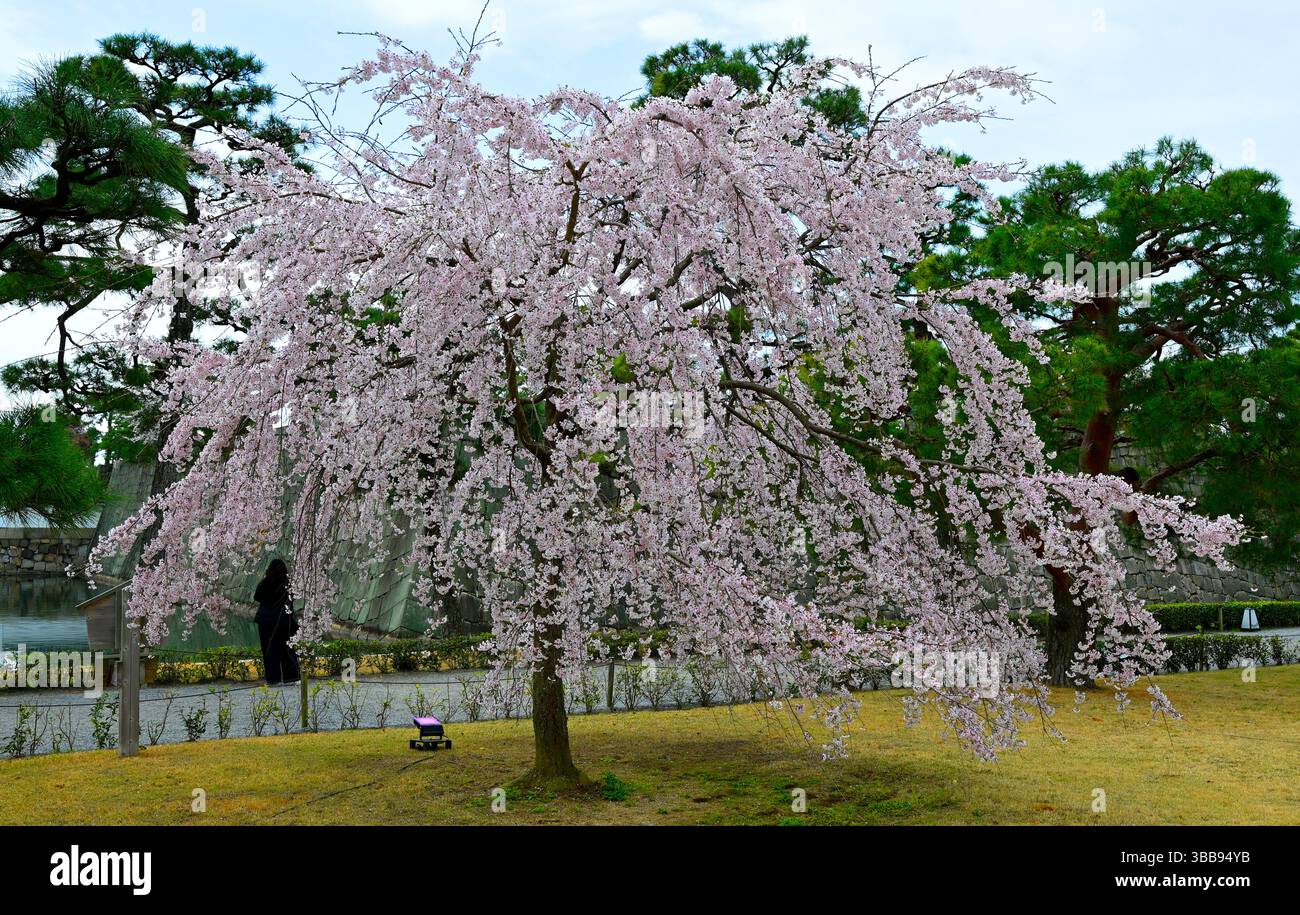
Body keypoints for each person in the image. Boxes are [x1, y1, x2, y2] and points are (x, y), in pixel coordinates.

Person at [253, 558, 300, 686]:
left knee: (269, 651)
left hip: (266, 622)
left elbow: (256, 597)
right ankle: (291, 677)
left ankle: (273, 679)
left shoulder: (265, 583)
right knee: (287, 650)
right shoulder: (288, 585)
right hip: (284, 622)